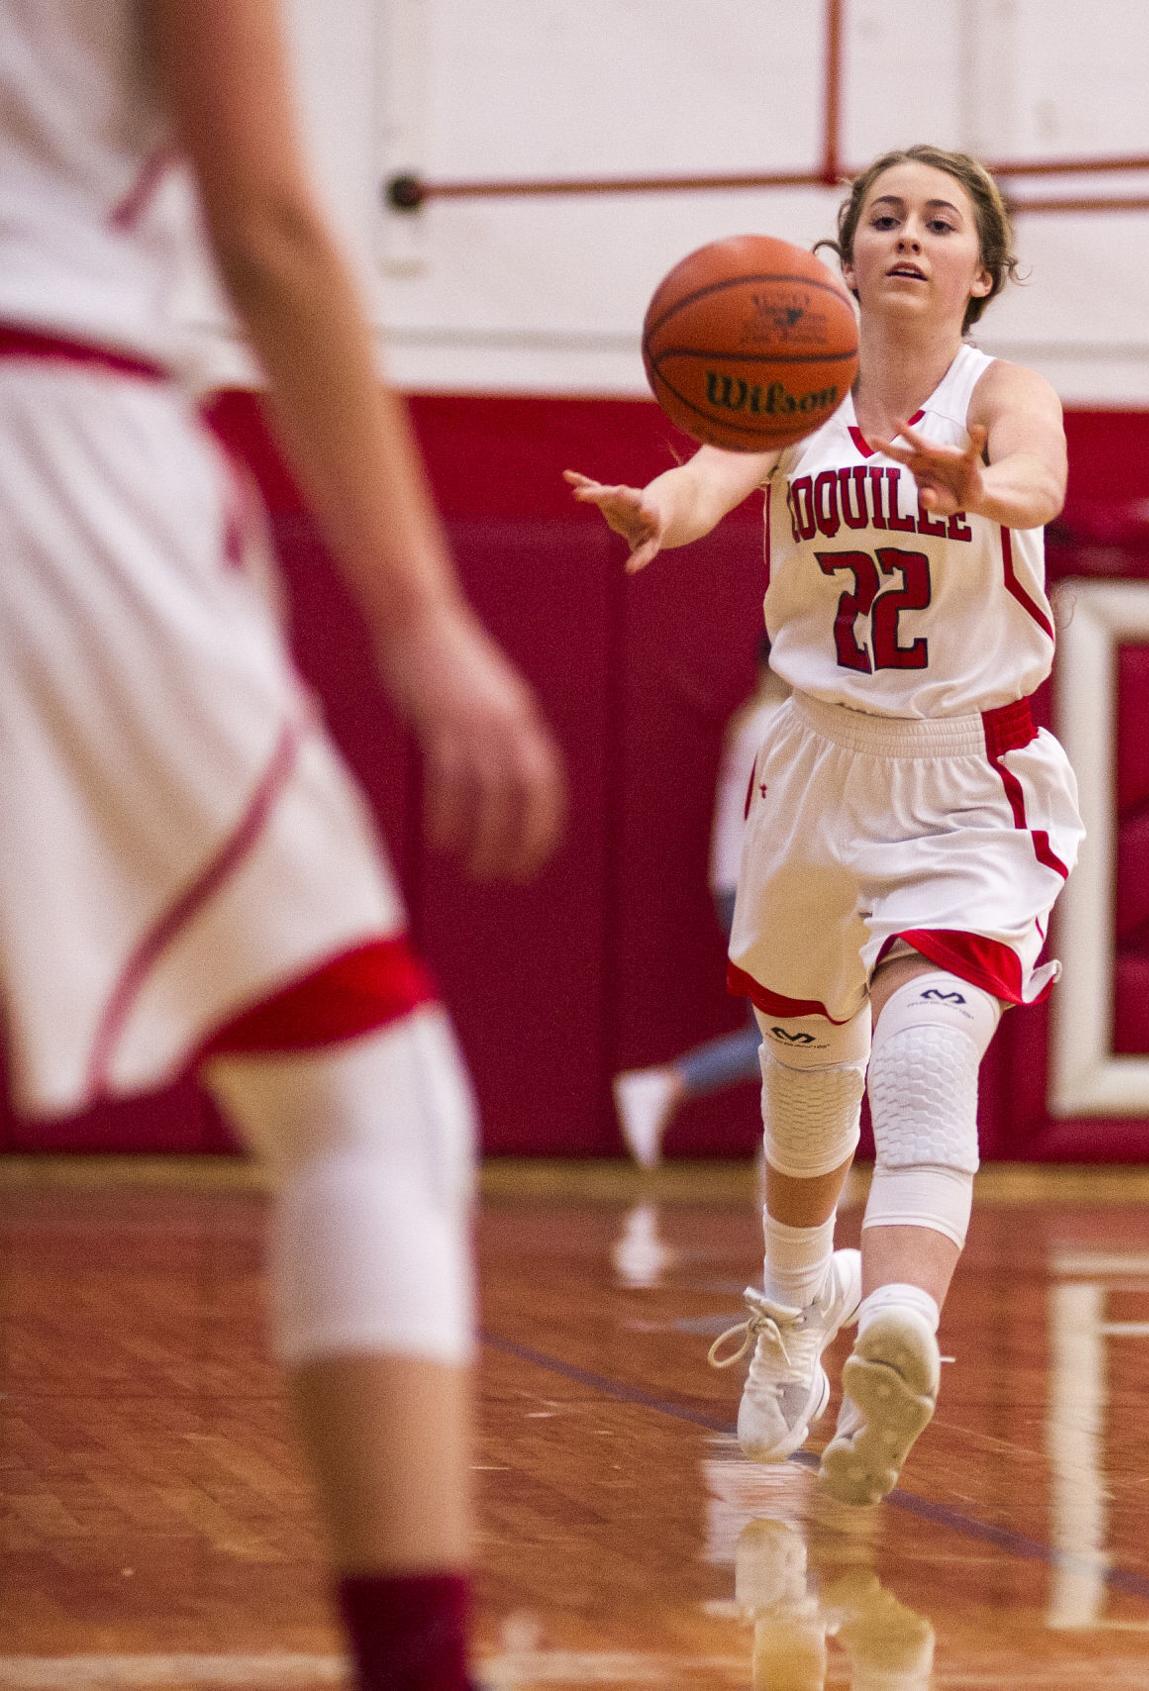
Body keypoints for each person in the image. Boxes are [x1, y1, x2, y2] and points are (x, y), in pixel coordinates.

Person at [0, 4, 564, 1688]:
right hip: (46, 442)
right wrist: (422, 610)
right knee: (366, 1101)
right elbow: (272, 227)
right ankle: (416, 1668)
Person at [566, 143, 1083, 1503]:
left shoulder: (1004, 391)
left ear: (982, 272)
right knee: (808, 1072)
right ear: (844, 258)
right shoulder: (791, 398)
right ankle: (798, 1305)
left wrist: (981, 488)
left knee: (925, 1050)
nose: (910, 235)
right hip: (818, 767)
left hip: (965, 774)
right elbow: (700, 482)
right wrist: (652, 513)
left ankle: (899, 1324)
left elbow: (1040, 479)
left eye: (941, 222)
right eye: (885, 217)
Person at [612, 634, 788, 1168]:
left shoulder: (759, 722)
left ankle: (784, 1149)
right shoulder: (772, 728)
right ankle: (666, 1085)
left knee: (790, 1031)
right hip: (762, 890)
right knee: (791, 1033)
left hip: (751, 888)